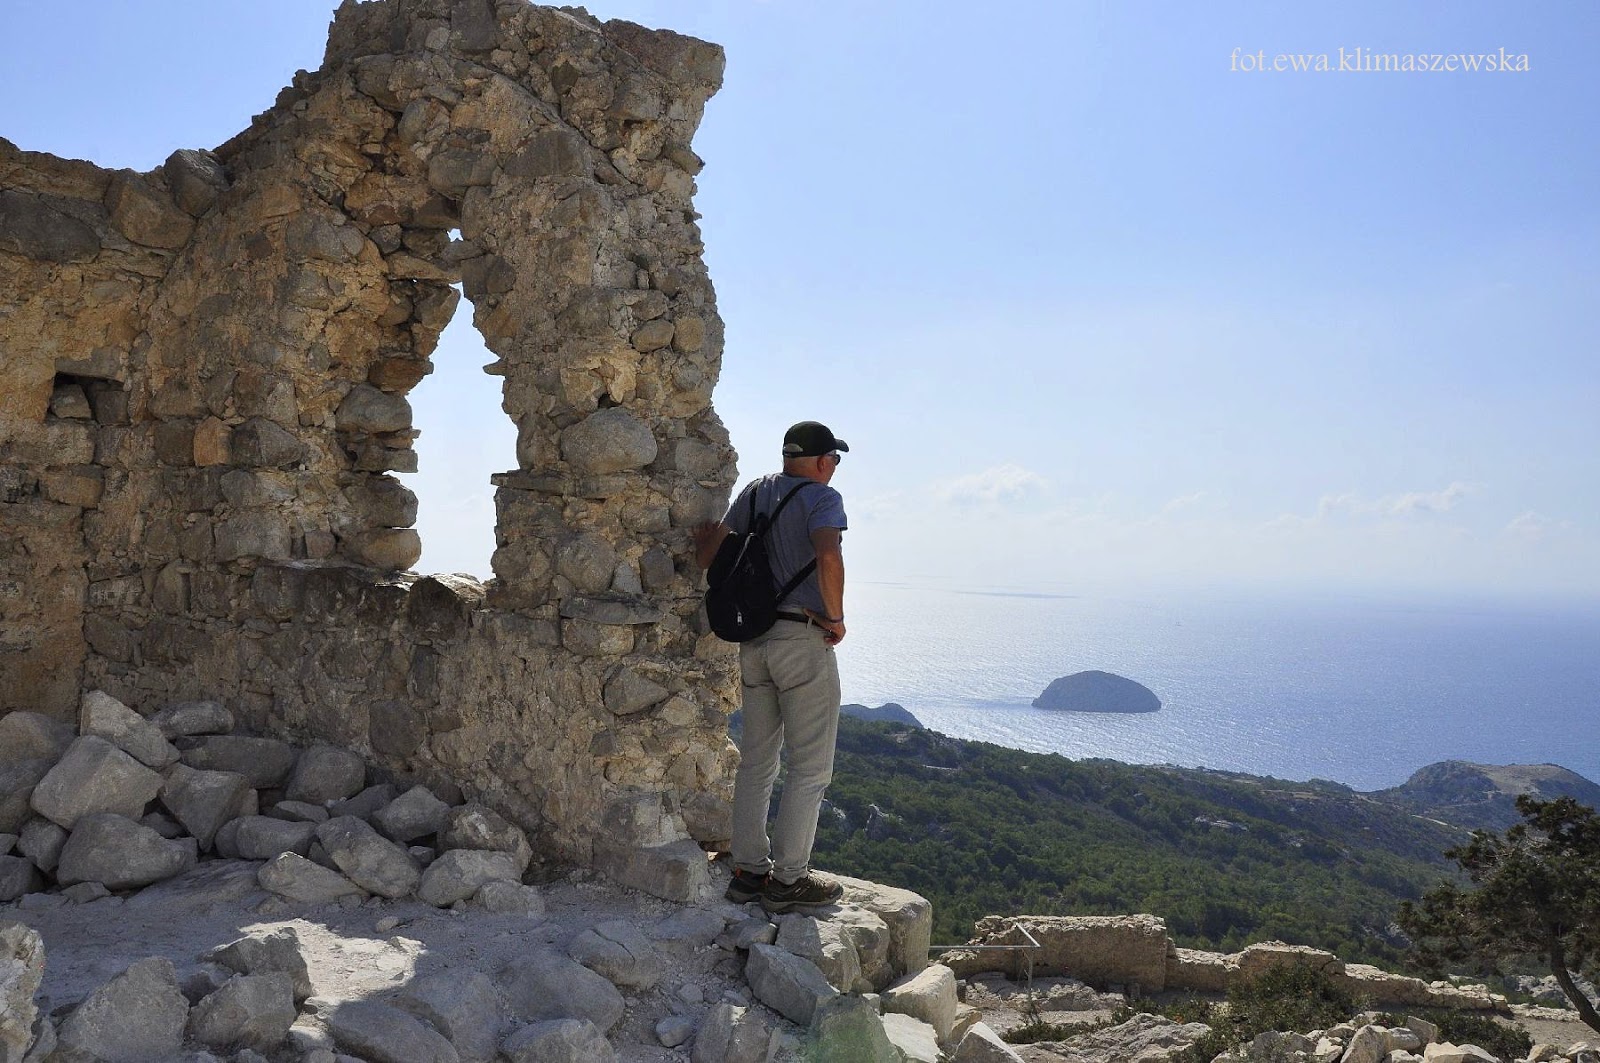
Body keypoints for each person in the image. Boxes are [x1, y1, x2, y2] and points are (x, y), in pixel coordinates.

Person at [693, 420, 850, 912]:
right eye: (835, 460)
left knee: (758, 760)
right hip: (801, 638)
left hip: (753, 638)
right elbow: (828, 555)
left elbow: (710, 551)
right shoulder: (824, 499)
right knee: (810, 769)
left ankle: (747, 872)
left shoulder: (756, 492)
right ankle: (788, 882)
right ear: (823, 461)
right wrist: (836, 618)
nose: (834, 468)